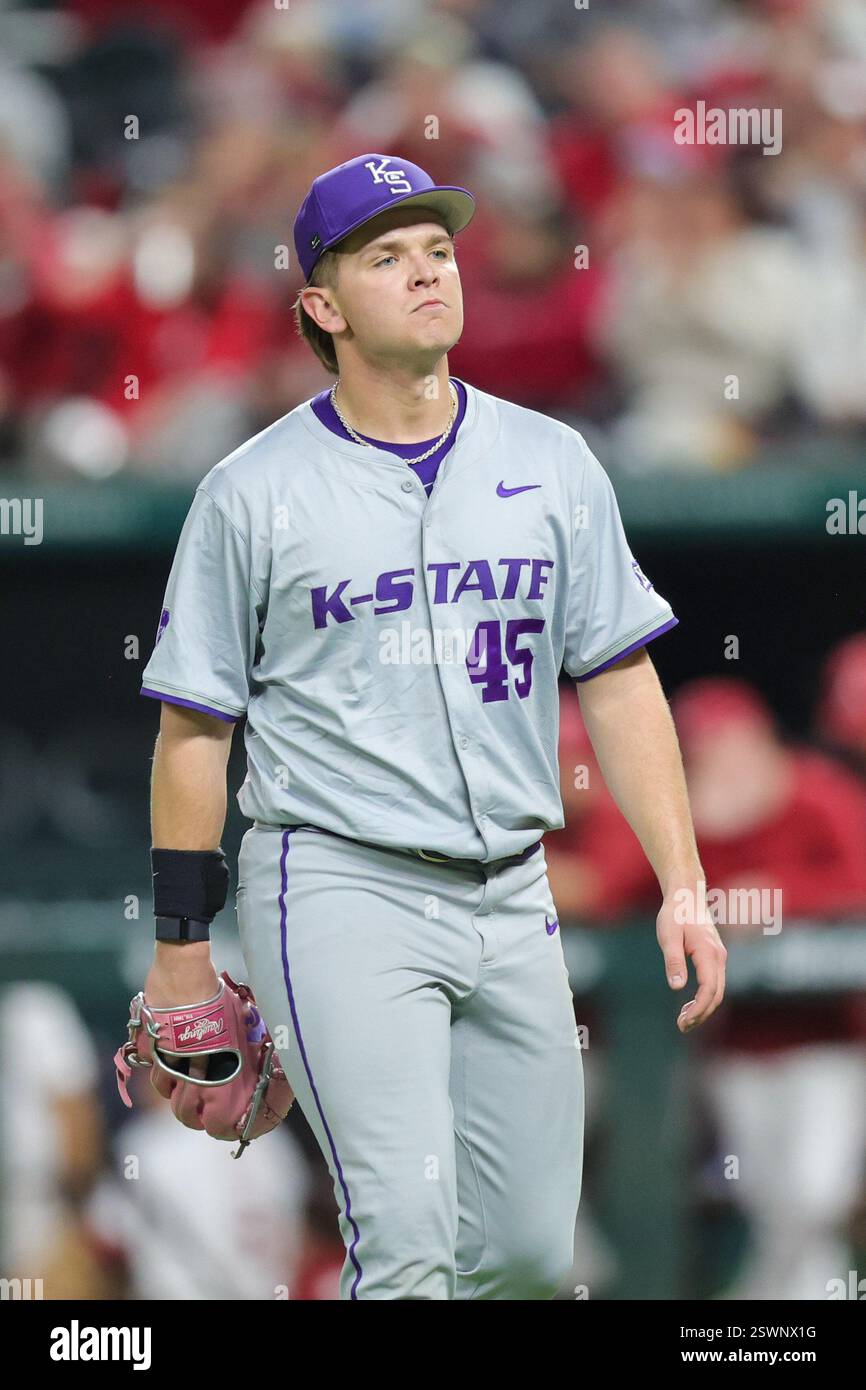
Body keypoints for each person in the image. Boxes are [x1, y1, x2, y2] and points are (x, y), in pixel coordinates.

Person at [136, 152, 725, 1301]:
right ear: (321, 304)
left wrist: (683, 882)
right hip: (339, 882)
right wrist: (177, 951)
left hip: (513, 889)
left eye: (438, 251)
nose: (426, 273)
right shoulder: (251, 492)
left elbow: (615, 679)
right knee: (405, 1243)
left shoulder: (551, 461)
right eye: (386, 255)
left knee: (524, 1258)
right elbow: (193, 732)